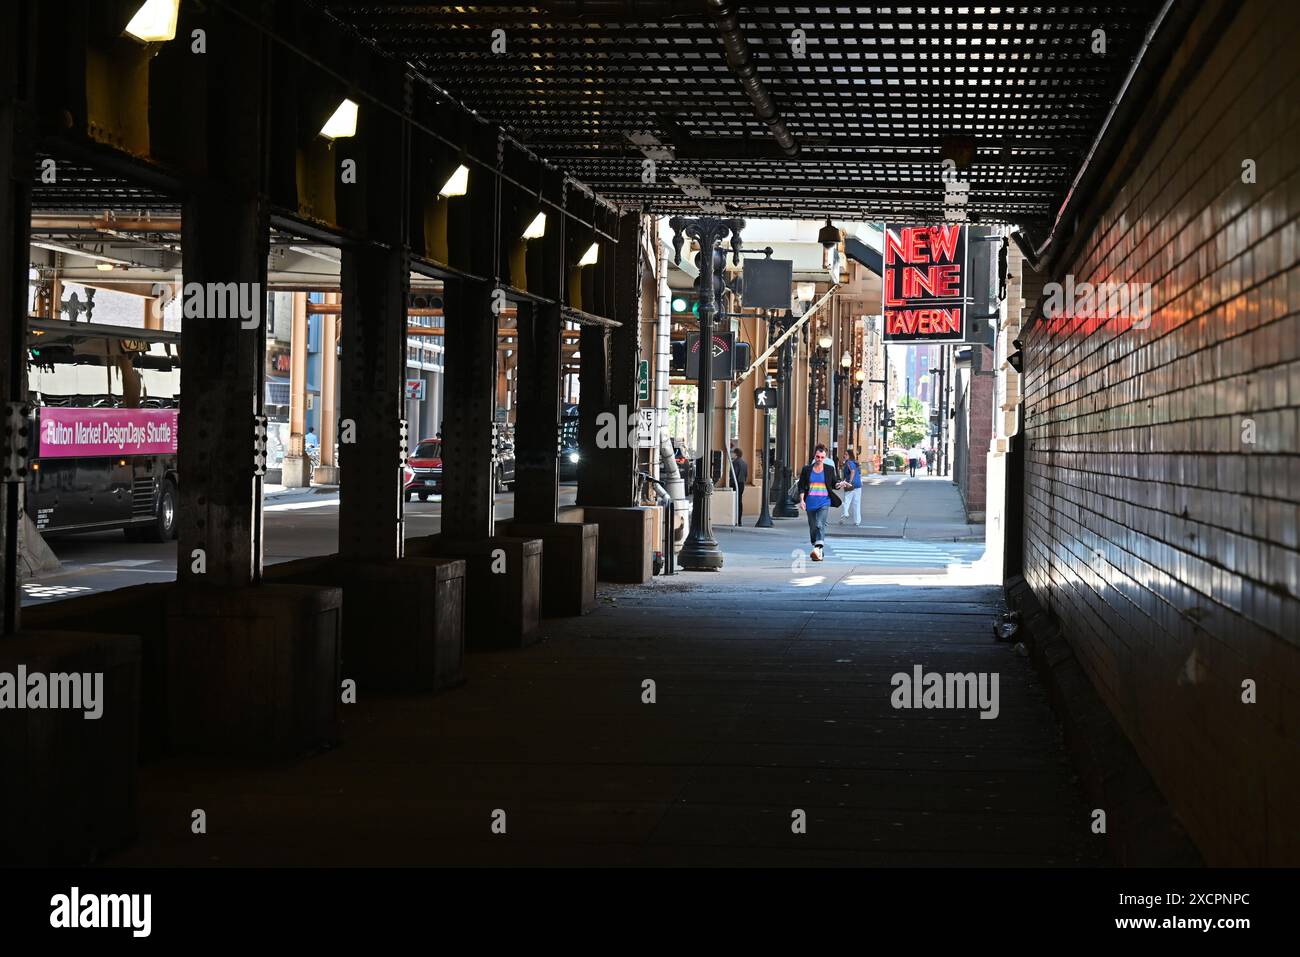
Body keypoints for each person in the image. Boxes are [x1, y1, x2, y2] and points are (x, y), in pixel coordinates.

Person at [797, 444, 844, 561]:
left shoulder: (829, 469)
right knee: (813, 527)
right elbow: (801, 486)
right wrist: (802, 500)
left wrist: (840, 484)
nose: (819, 460)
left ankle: (818, 549)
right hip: (810, 502)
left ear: (825, 457)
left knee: (819, 524)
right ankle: (818, 549)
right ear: (814, 456)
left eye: (822, 457)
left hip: (824, 502)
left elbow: (834, 484)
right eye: (818, 457)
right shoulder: (807, 470)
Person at [839, 448, 862, 526]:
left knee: (847, 501)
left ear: (850, 455)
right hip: (858, 485)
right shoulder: (856, 463)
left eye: (846, 454)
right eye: (844, 454)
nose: (844, 456)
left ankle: (845, 514)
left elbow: (852, 471)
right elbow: (859, 474)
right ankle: (857, 521)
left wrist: (850, 482)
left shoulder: (849, 463)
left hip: (851, 485)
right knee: (856, 503)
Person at [731, 447, 749, 524]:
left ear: (736, 454)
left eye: (733, 453)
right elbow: (746, 475)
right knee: (739, 501)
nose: (732, 454)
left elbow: (734, 474)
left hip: (735, 483)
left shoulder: (735, 462)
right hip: (742, 484)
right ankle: (739, 520)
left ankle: (735, 519)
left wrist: (730, 482)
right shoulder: (745, 463)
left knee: (735, 501)